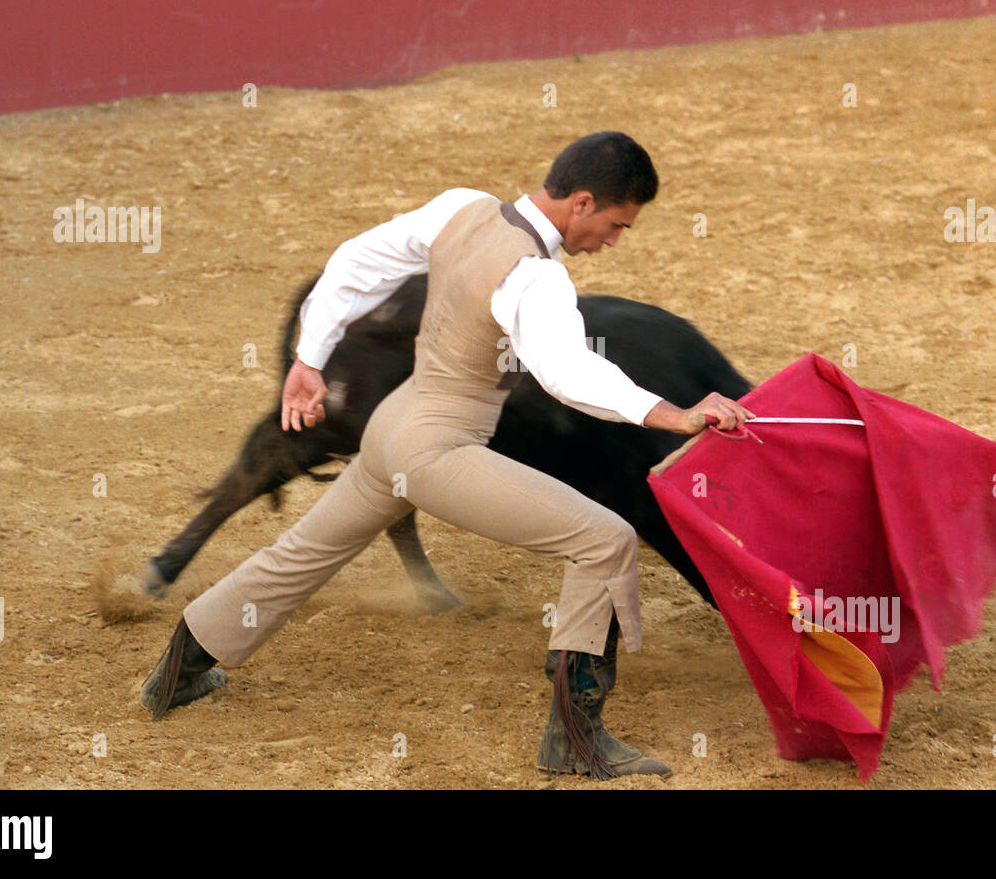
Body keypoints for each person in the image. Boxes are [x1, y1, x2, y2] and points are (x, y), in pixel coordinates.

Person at [140, 131, 753, 779]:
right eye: (615, 223)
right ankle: (574, 737)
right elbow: (570, 374)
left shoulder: (464, 206)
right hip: (438, 448)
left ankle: (174, 674)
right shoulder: (536, 278)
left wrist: (309, 359)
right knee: (605, 541)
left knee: (301, 552)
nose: (614, 239)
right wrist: (677, 415)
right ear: (580, 201)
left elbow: (354, 261)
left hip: (390, 428)